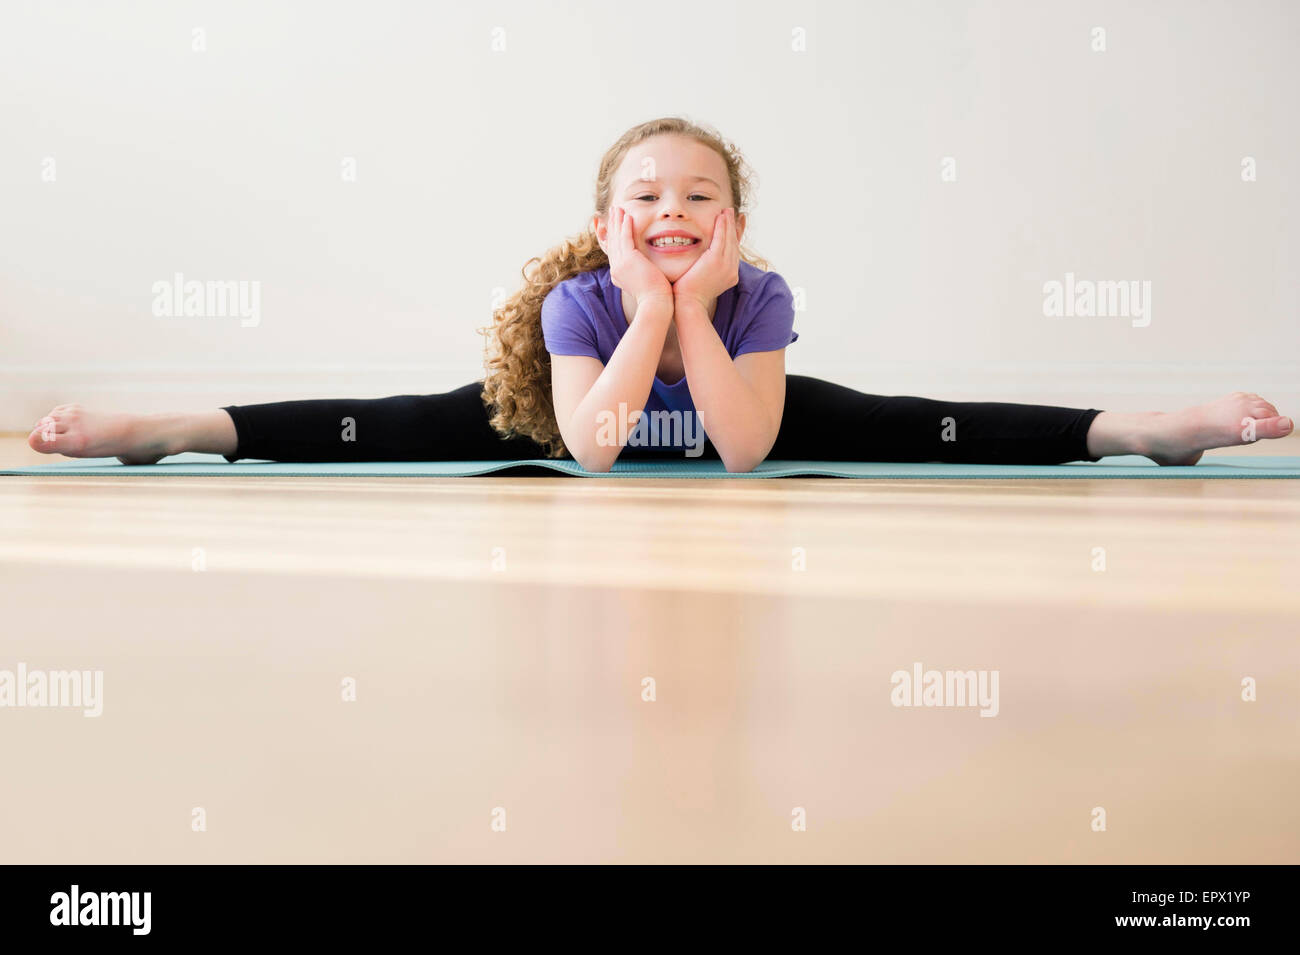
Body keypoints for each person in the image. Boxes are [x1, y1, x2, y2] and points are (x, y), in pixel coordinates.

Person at [27, 117, 1292, 471]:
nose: (672, 216)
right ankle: (183, 429)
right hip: (580, 409)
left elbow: (742, 453)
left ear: (732, 222)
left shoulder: (760, 297)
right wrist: (640, 310)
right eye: (647, 198)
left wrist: (695, 311)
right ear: (605, 223)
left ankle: (1133, 431)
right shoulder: (578, 303)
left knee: (915, 415)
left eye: (699, 198)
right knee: (396, 417)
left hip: (740, 400)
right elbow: (590, 448)